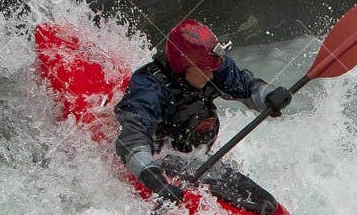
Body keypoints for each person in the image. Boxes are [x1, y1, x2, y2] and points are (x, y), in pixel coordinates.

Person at [113, 18, 292, 203]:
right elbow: (130, 140)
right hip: (157, 158)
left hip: (193, 155)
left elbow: (246, 87)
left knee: (264, 203)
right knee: (187, 117)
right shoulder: (150, 89)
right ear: (184, 65)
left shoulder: (211, 66)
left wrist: (268, 95)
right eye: (206, 70)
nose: (212, 74)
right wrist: (154, 178)